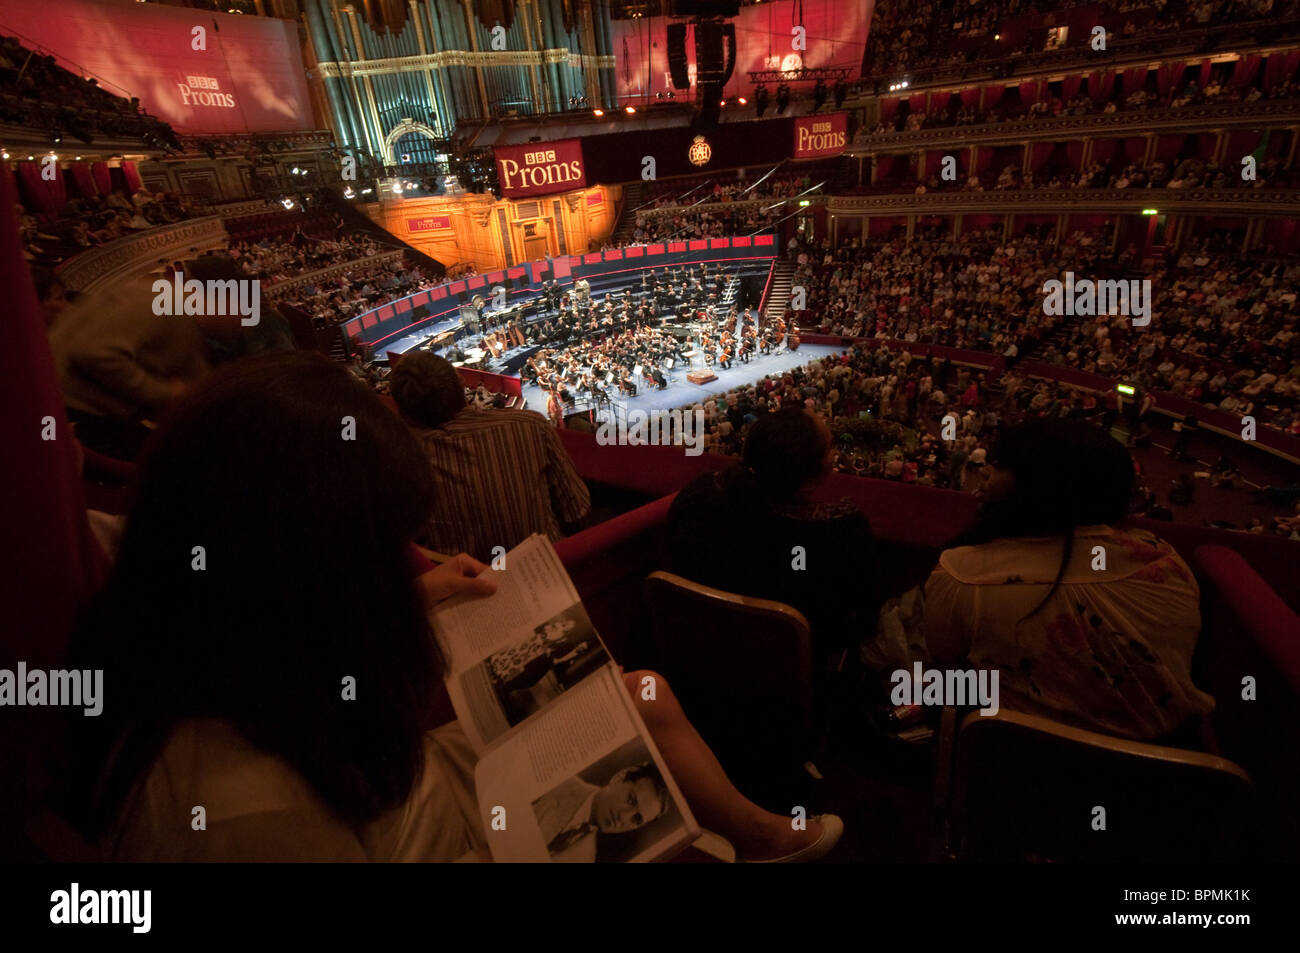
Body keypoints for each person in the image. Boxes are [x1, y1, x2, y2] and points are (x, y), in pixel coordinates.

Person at [51, 353, 842, 862]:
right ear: (310, 573)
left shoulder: (213, 610)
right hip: (434, 832)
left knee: (645, 692)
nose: (405, 568)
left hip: (401, 792)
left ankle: (764, 835)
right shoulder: (242, 820)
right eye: (384, 553)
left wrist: (424, 590)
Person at [876, 418, 1213, 742]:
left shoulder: (964, 573)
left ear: (1032, 485)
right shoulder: (1164, 561)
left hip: (1016, 764)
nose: (986, 476)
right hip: (1169, 775)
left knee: (923, 678)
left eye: (999, 465)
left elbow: (945, 654)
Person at [667, 406, 878, 661]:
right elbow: (860, 615)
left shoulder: (698, 497)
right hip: (792, 672)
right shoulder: (842, 533)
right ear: (812, 474)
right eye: (830, 446)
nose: (835, 454)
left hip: (695, 655)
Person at [389, 352, 592, 562]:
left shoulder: (399, 462)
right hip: (546, 569)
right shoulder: (532, 427)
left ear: (404, 413)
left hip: (463, 587)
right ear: (461, 384)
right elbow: (578, 512)